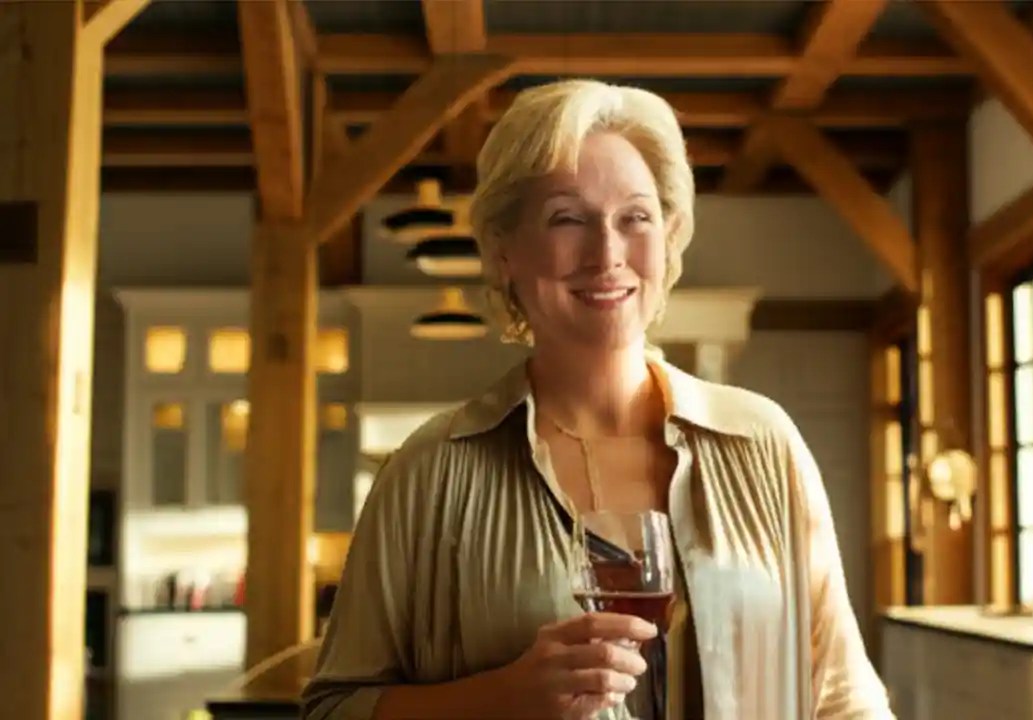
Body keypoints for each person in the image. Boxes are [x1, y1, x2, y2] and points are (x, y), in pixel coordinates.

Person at [301, 78, 895, 720]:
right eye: (567, 218)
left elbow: (841, 693)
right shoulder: (428, 471)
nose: (607, 253)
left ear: (667, 239)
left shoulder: (761, 440)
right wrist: (505, 697)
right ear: (504, 252)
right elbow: (333, 711)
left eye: (635, 218)